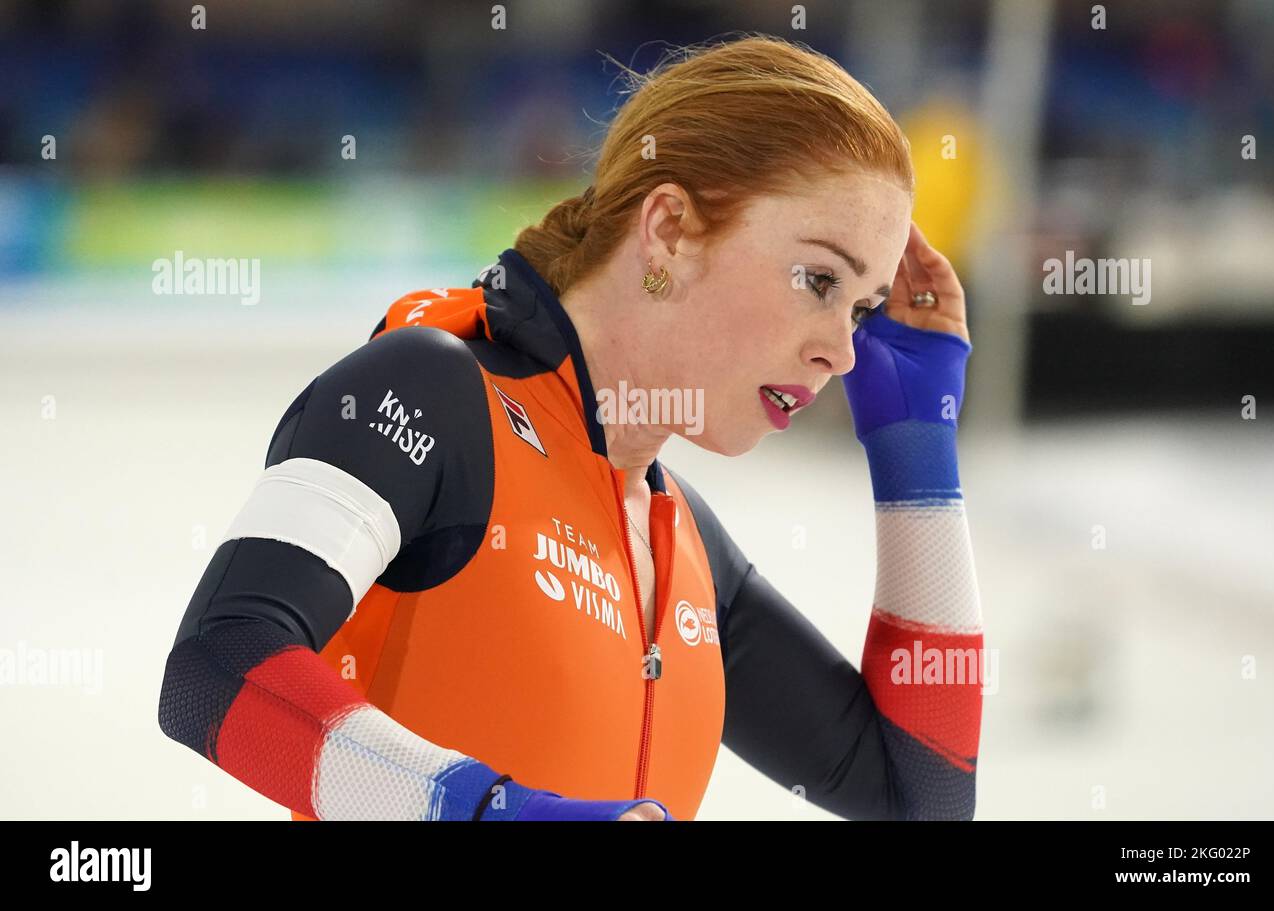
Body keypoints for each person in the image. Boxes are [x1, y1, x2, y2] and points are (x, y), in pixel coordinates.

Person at [157, 33, 983, 821]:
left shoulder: (684, 545)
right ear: (668, 230)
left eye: (865, 309)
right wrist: (483, 810)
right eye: (819, 278)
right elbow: (215, 667)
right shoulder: (431, 396)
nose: (843, 351)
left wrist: (916, 444)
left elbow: (919, 794)